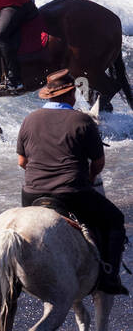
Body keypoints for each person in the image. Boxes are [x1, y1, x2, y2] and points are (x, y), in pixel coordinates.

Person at [16, 70, 127, 294]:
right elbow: (98, 163)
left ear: (48, 96)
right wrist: (89, 179)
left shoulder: (29, 120)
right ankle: (109, 278)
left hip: (31, 193)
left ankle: (14, 280)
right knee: (115, 220)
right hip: (72, 193)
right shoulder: (82, 120)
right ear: (71, 94)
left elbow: (21, 162)